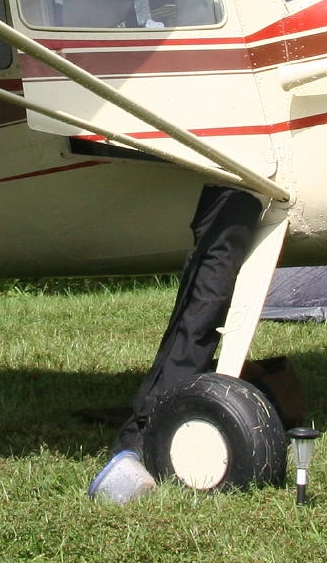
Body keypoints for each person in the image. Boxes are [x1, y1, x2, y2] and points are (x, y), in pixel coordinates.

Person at [89, 184, 268, 503]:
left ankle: (146, 427)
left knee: (217, 259)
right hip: (231, 189)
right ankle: (144, 433)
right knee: (214, 265)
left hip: (235, 192)